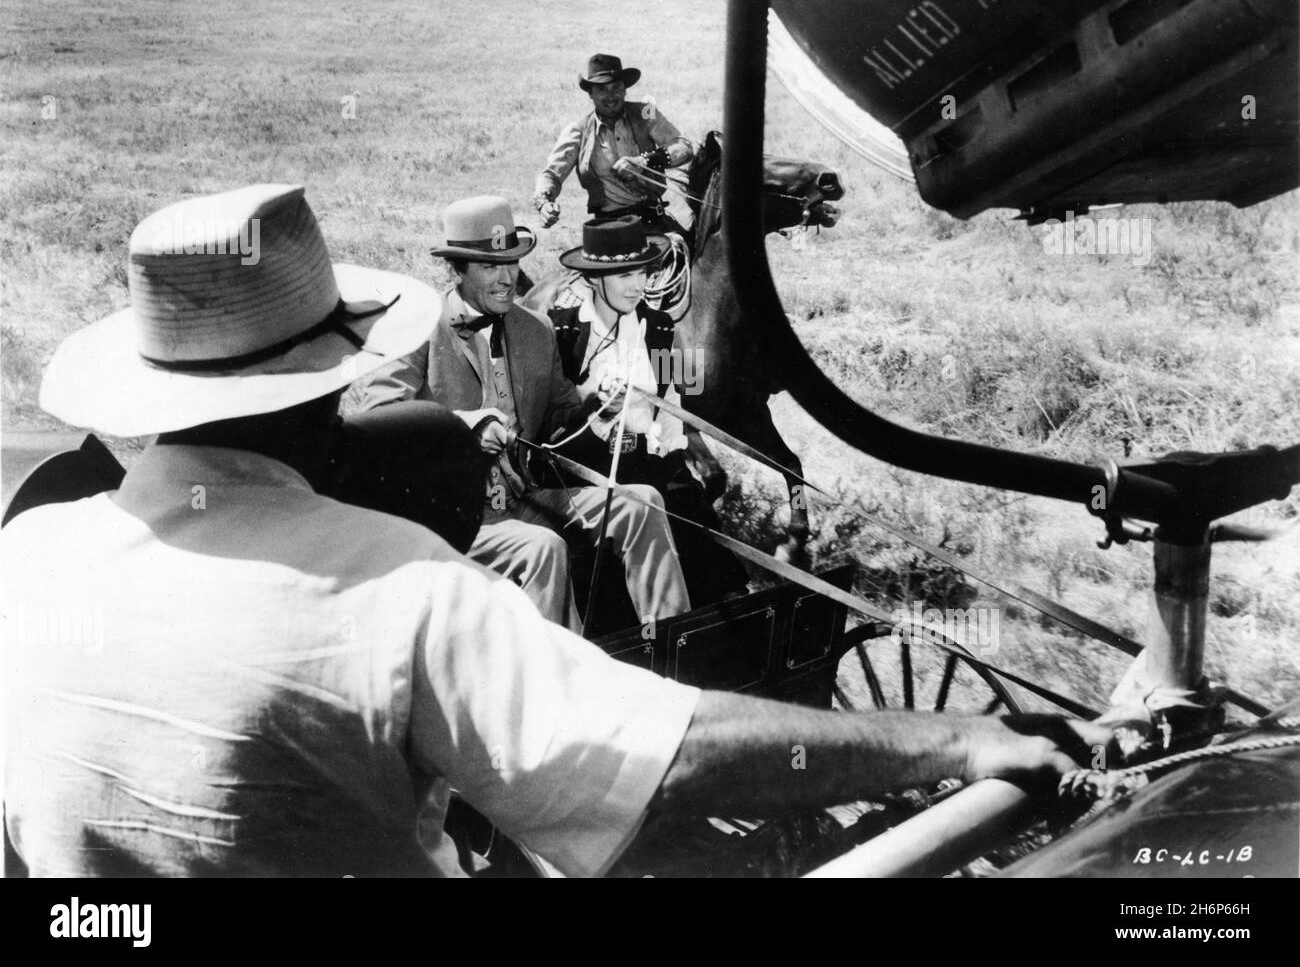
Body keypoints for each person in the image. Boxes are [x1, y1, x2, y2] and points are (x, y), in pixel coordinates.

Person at [2, 183, 1112, 879]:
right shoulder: (394, 587)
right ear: (342, 385)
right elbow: (662, 760)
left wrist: (629, 412)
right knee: (536, 551)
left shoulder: (28, 560)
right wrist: (960, 741)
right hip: (508, 539)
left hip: (552, 489)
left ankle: (660, 636)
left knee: (626, 507)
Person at [358, 194, 692, 630]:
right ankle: (563, 680)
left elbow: (561, 417)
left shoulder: (536, 330)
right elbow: (376, 422)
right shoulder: (416, 327)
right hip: (445, 515)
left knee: (642, 502)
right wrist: (462, 426)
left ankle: (675, 650)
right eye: (490, 266)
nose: (507, 279)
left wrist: (598, 410)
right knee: (543, 547)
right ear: (456, 268)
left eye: (512, 263)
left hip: (522, 498)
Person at [548, 214, 749, 605]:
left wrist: (668, 454)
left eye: (641, 272)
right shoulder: (563, 332)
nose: (637, 286)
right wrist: (597, 408)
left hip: (650, 460)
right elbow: (553, 424)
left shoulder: (659, 327)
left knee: (694, 520)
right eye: (624, 276)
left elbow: (673, 401)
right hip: (589, 471)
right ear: (593, 278)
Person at [532, 53, 694, 245]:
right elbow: (551, 175)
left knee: (697, 260)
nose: (611, 96)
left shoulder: (645, 112)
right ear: (590, 93)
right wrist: (544, 203)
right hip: (608, 230)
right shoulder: (578, 131)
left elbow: (683, 146)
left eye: (616, 87)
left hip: (655, 222)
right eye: (601, 89)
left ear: (625, 89)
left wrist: (645, 161)